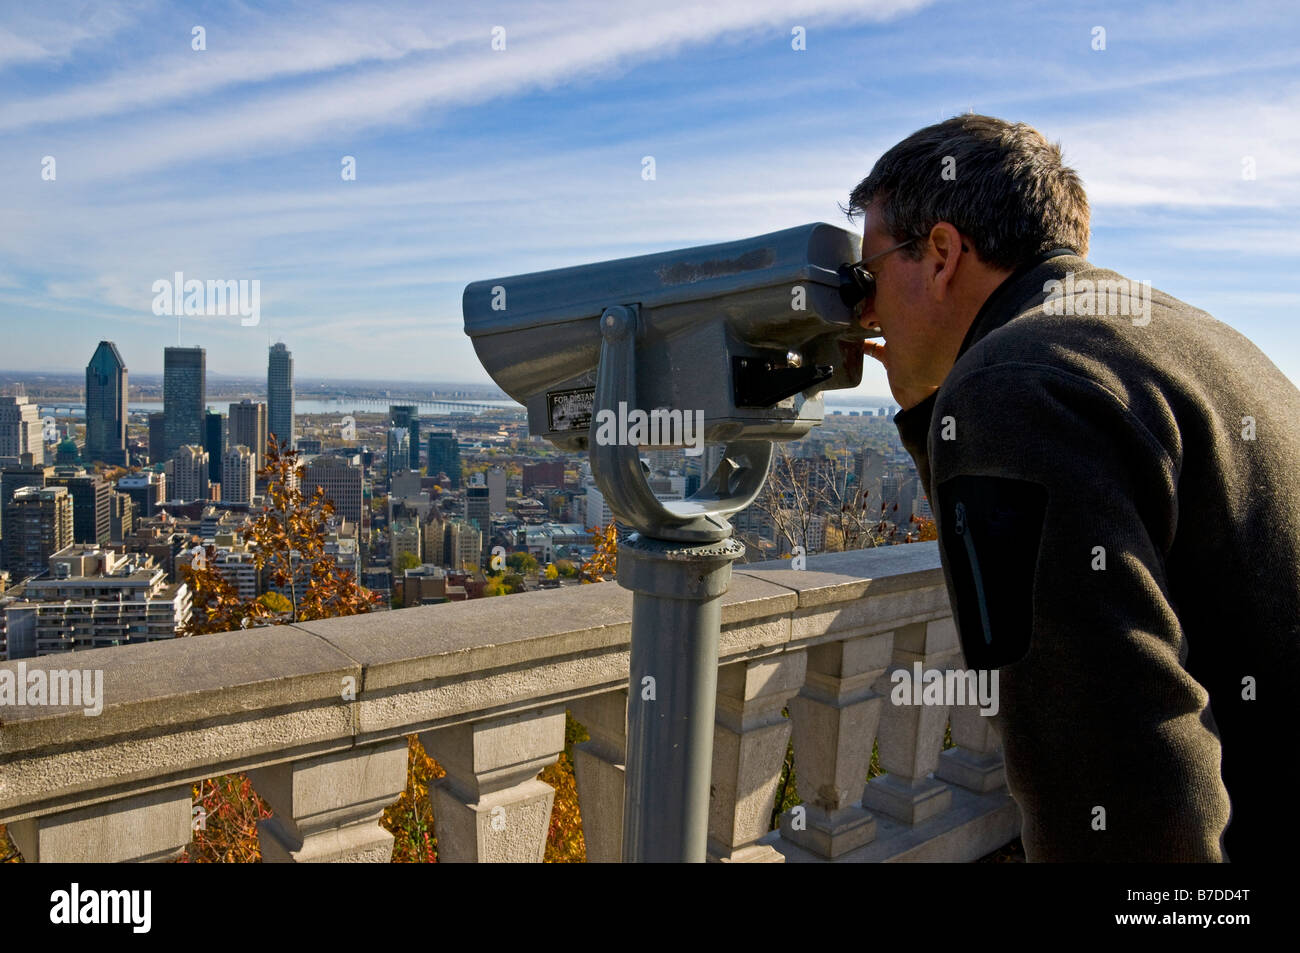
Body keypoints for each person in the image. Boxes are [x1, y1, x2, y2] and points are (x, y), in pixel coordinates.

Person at [844, 114, 1299, 862]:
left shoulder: (1017, 385)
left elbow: (1120, 775)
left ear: (942, 253)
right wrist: (936, 405)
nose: (863, 310)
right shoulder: (1174, 334)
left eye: (869, 276)